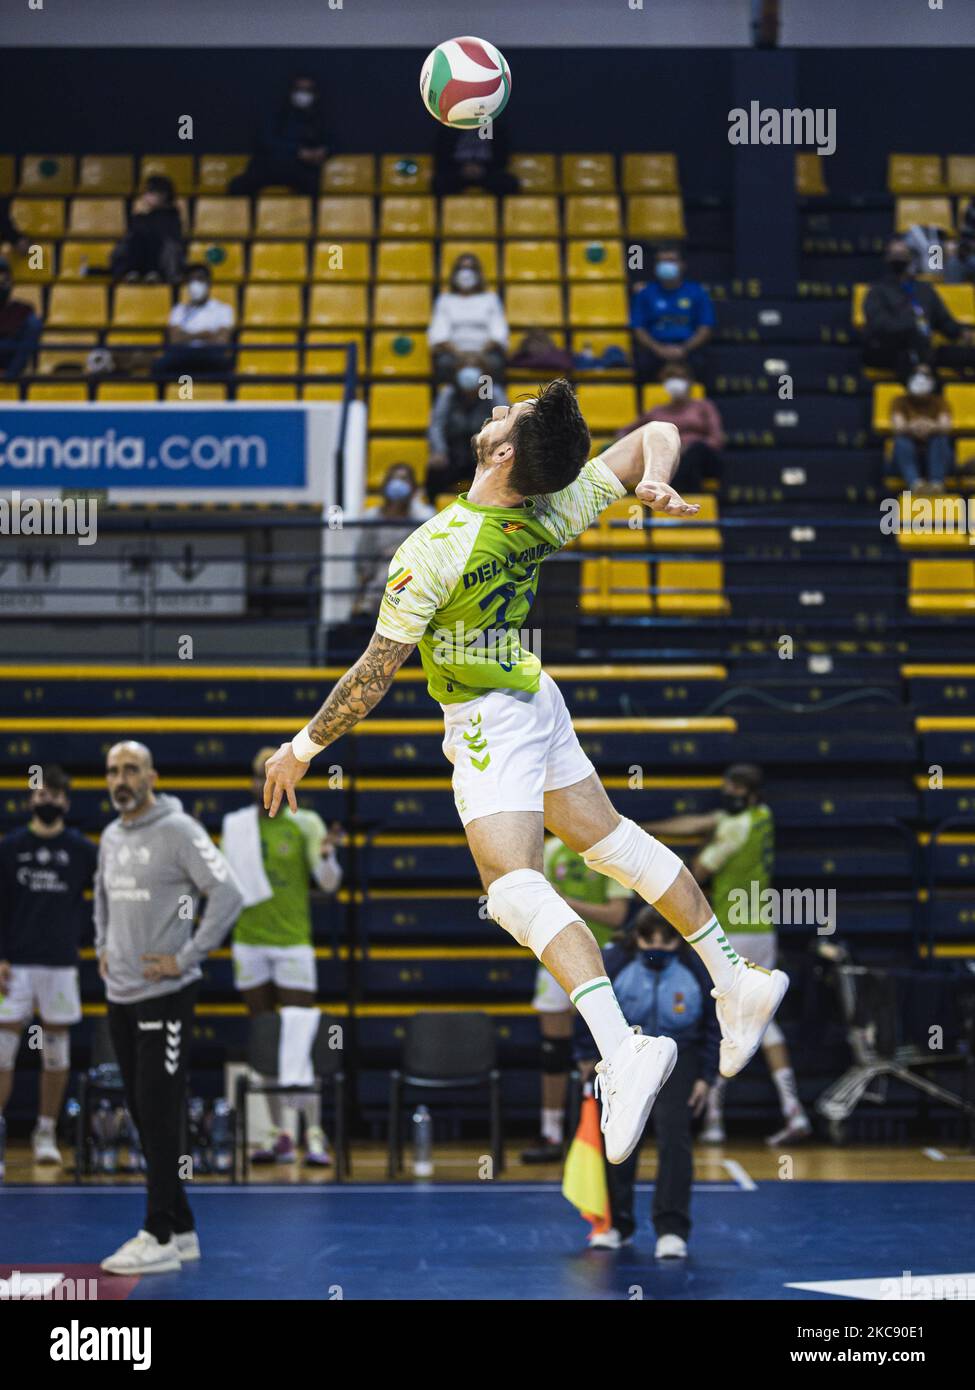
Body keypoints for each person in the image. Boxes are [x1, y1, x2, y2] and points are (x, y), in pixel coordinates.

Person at [263, 381, 789, 1172]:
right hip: (533, 695)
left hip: (487, 719)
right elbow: (656, 429)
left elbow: (373, 675)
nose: (496, 409)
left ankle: (621, 1049)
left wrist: (298, 749)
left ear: (504, 452)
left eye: (505, 414)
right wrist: (654, 478)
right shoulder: (553, 506)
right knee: (611, 843)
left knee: (510, 888)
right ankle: (731, 974)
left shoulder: (434, 550)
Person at [96, 742, 244, 1276]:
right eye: (113, 771)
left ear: (151, 776)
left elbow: (228, 893)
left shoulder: (178, 829)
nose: (121, 779)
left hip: (165, 994)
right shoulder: (112, 835)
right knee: (141, 1111)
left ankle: (156, 1233)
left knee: (159, 1114)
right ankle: (180, 1228)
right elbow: (101, 895)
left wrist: (185, 958)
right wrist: (101, 947)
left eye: (130, 770)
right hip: (122, 994)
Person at [644, 763, 810, 1147]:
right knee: (764, 1023)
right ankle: (793, 1110)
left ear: (746, 793)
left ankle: (714, 1120)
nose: (726, 795)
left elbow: (698, 870)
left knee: (725, 1020)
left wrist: (645, 847)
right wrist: (650, 828)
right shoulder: (761, 815)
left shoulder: (734, 829)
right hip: (762, 928)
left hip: (732, 931)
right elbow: (702, 821)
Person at [220, 748, 345, 1167]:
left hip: (292, 941)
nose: (263, 783)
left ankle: (311, 1130)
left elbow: (328, 884)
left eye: (268, 774)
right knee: (266, 1036)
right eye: (257, 776)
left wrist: (328, 855)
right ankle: (277, 1134)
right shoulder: (236, 826)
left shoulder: (305, 822)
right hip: (249, 940)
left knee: (300, 1035)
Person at [578, 908, 719, 1256]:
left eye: (667, 940)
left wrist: (706, 1075)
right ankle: (614, 1224)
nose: (658, 947)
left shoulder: (697, 965)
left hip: (679, 1057)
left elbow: (716, 1021)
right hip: (624, 1053)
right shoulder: (614, 961)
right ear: (635, 937)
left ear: (678, 939)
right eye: (649, 939)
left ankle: (672, 1229)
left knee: (674, 1136)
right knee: (620, 1141)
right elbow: (587, 1005)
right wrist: (585, 1056)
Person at [0, 766, 97, 1166]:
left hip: (59, 965)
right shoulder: (9, 848)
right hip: (14, 967)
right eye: (41, 794)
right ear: (31, 800)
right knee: (3, 1053)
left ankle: (45, 1131)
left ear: (66, 803)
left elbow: (109, 897)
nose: (48, 800)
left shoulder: (82, 850)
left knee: (54, 1055)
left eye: (56, 795)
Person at [521, 836, 632, 1164]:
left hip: (603, 959)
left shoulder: (608, 851)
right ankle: (552, 1132)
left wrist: (566, 902)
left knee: (602, 1052)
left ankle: (605, 1131)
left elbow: (616, 916)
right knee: (553, 1050)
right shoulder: (551, 850)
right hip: (557, 954)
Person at [862, 236, 974, 379]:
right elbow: (880, 325)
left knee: (963, 355)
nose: (899, 260)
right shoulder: (877, 291)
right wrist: (912, 329)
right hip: (893, 349)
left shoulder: (925, 290)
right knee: (910, 359)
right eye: (895, 255)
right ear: (887, 259)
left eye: (902, 255)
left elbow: (943, 321)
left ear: (910, 258)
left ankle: (925, 375)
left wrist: (963, 333)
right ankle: (924, 388)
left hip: (926, 349)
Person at [614, 363, 724, 491]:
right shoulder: (657, 412)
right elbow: (624, 431)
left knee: (695, 452)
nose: (675, 381)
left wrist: (686, 449)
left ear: (689, 381)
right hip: (668, 458)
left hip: (702, 458)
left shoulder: (703, 407)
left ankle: (672, 492)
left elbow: (716, 439)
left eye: (680, 377)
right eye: (670, 377)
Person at [353, 464, 434, 617]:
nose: (398, 483)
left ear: (413, 487)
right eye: (393, 479)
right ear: (386, 485)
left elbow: (431, 554)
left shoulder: (424, 516)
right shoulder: (372, 517)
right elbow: (364, 559)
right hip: (381, 576)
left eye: (404, 479)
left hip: (414, 575)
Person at [229, 75, 328, 198]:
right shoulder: (277, 113)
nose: (303, 95)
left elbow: (332, 142)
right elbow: (267, 140)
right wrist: (298, 151)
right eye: (299, 90)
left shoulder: (318, 118)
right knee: (237, 186)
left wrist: (322, 151)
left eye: (308, 91)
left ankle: (306, 217)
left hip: (298, 170)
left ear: (316, 95)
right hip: (269, 167)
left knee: (312, 185)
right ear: (291, 92)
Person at [630, 248, 715, 384]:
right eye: (661, 261)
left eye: (671, 260)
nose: (666, 265)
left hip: (687, 348)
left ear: (682, 265)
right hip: (655, 349)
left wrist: (684, 348)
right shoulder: (645, 293)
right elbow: (638, 328)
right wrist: (657, 348)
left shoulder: (697, 292)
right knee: (641, 364)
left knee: (702, 363)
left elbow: (705, 327)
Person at [426, 365, 508, 501]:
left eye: (473, 390)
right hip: (452, 451)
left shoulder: (490, 393)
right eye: (466, 391)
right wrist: (439, 451)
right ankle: (431, 506)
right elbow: (436, 425)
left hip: (483, 452)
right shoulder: (449, 394)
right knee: (435, 469)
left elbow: (505, 421)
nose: (469, 394)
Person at [428, 253, 508, 385]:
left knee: (494, 363)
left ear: (478, 274)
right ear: (455, 274)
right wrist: (462, 356)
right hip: (453, 354)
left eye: (471, 269)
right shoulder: (445, 300)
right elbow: (439, 334)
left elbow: (498, 333)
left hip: (484, 353)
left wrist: (477, 356)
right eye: (461, 268)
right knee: (444, 363)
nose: (466, 274)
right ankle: (453, 397)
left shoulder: (490, 299)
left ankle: (486, 397)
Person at [152, 263, 234, 381]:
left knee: (226, 367)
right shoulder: (179, 309)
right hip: (182, 354)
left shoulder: (223, 309)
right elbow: (175, 340)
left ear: (208, 283)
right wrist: (205, 335)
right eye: (191, 280)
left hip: (210, 355)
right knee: (160, 365)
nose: (195, 284)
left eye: (200, 279)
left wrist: (186, 336)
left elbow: (221, 341)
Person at [889, 366, 953, 492]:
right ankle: (915, 484)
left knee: (940, 438)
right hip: (909, 456)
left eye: (925, 375)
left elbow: (945, 426)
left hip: (936, 456)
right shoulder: (899, 401)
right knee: (901, 440)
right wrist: (914, 426)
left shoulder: (939, 401)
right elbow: (898, 427)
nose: (921, 379)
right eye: (917, 374)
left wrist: (929, 425)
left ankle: (936, 483)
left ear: (932, 381)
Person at [111, 175, 184, 284]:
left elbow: (170, 243)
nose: (145, 197)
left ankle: (152, 272)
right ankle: (132, 271)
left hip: (161, 264)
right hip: (139, 261)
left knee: (150, 236)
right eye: (146, 193)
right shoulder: (140, 217)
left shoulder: (172, 217)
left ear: (163, 195)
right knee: (134, 237)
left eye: (150, 192)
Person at [432, 121, 519, 197]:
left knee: (507, 183)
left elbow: (502, 159)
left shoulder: (495, 127)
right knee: (440, 183)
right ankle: (443, 214)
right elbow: (441, 159)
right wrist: (462, 169)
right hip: (458, 170)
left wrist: (483, 169)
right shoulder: (449, 127)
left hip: (487, 171)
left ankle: (501, 215)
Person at [0, 255, 42, 381]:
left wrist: (10, 374)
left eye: (4, 279)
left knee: (34, 323)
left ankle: (10, 378)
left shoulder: (22, 310)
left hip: (11, 366)